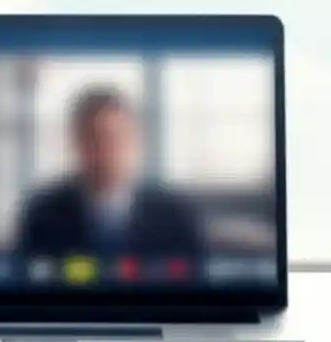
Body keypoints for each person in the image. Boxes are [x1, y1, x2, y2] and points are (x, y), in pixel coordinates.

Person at [17, 86, 204, 259]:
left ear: (135, 141)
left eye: (114, 139)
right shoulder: (43, 215)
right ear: (75, 144)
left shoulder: (175, 215)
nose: (105, 152)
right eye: (94, 139)